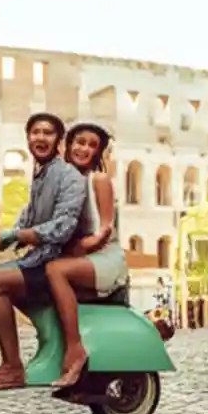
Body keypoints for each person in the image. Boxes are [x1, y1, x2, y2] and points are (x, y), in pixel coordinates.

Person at [0, 112, 88, 391]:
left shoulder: (69, 177)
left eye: (48, 133)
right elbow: (25, 220)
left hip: (55, 263)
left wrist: (14, 235)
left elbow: (63, 227)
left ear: (59, 141)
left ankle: (12, 366)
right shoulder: (40, 176)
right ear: (28, 138)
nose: (40, 138)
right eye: (35, 133)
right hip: (37, 260)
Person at [46, 122, 128, 388]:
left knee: (56, 270)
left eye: (93, 146)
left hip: (104, 257)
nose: (85, 149)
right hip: (81, 258)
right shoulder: (63, 181)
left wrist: (85, 246)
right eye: (80, 142)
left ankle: (75, 350)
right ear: (68, 145)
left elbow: (106, 226)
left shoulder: (98, 180)